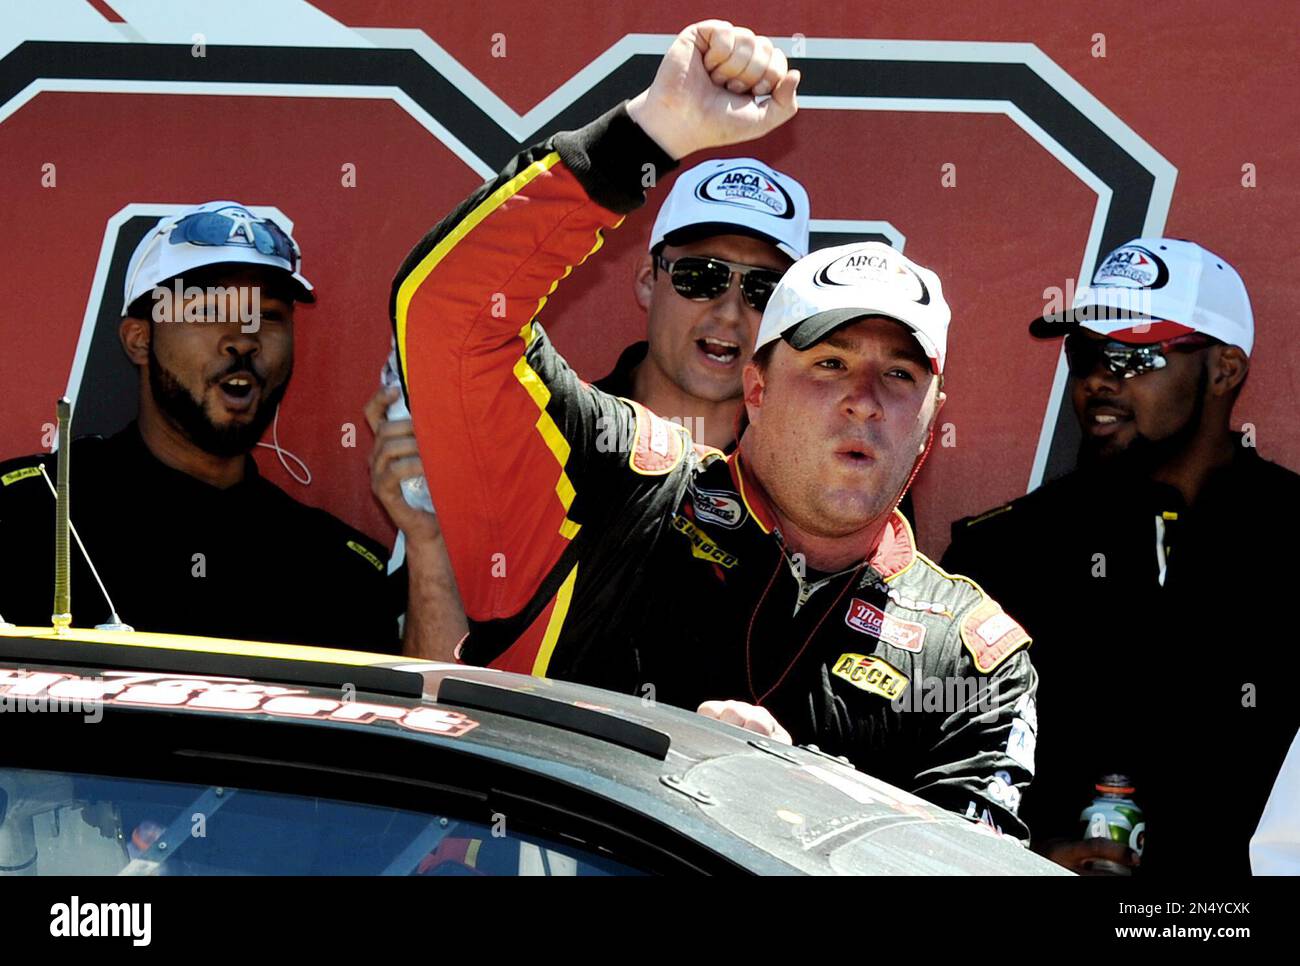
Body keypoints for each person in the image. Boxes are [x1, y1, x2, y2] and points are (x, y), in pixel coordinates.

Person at [391, 20, 1039, 839]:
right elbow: (447, 315)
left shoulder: (972, 654)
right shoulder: (617, 488)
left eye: (900, 375)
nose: (865, 400)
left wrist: (803, 795)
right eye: (829, 364)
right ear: (758, 386)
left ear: (933, 421)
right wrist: (649, 133)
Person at [943, 238, 1300, 873]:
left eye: (1132, 357)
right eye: (1084, 354)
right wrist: (1032, 861)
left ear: (1224, 370)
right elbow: (937, 779)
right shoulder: (1001, 553)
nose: (1097, 380)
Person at [0, 201, 399, 651]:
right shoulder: (25, 515)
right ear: (140, 339)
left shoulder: (336, 568)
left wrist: (427, 542)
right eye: (207, 310)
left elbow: (425, 715)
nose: (243, 339)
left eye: (268, 315)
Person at [593, 155, 808, 452]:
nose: (730, 313)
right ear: (647, 279)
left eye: (764, 289)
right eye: (700, 276)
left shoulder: (801, 475)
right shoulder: (564, 431)